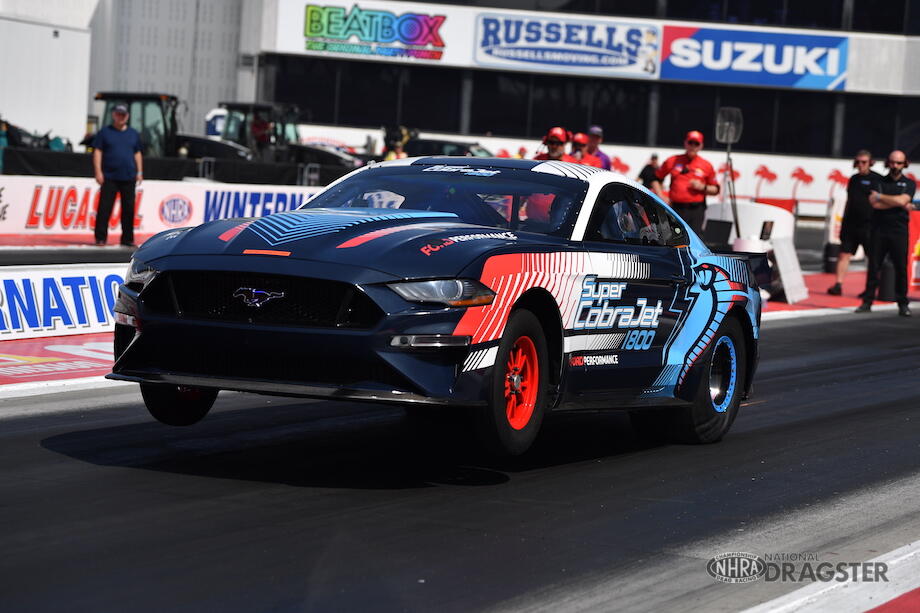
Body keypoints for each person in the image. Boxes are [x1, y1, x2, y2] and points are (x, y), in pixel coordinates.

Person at [856, 150, 916, 316]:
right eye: (893, 162)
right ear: (888, 163)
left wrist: (882, 197)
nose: (895, 166)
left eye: (899, 163)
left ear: (904, 164)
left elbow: (903, 200)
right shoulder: (878, 182)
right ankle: (867, 301)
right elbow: (875, 203)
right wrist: (897, 202)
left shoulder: (909, 183)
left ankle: (902, 303)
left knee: (900, 267)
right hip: (879, 230)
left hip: (899, 231)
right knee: (874, 266)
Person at [828, 150, 881, 295]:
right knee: (844, 254)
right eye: (858, 162)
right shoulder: (854, 179)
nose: (860, 165)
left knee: (872, 257)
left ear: (870, 163)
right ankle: (838, 285)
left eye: (864, 162)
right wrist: (844, 220)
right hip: (851, 224)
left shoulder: (877, 179)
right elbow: (849, 200)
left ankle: (871, 288)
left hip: (869, 224)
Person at [92, 104, 143, 247]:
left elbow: (137, 153)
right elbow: (97, 152)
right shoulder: (105, 132)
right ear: (113, 115)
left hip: (129, 176)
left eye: (123, 114)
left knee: (128, 209)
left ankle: (127, 239)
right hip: (109, 177)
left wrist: (140, 172)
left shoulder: (133, 133)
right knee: (104, 208)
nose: (121, 117)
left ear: (127, 116)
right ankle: (100, 238)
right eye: (118, 114)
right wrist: (98, 171)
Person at [650, 130, 719, 234]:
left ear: (701, 146)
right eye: (690, 142)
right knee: (674, 237)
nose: (693, 146)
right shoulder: (673, 160)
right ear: (685, 143)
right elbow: (655, 178)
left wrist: (702, 187)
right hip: (676, 208)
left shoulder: (706, 165)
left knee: (694, 238)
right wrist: (661, 196)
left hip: (696, 211)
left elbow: (716, 189)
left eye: (696, 144)